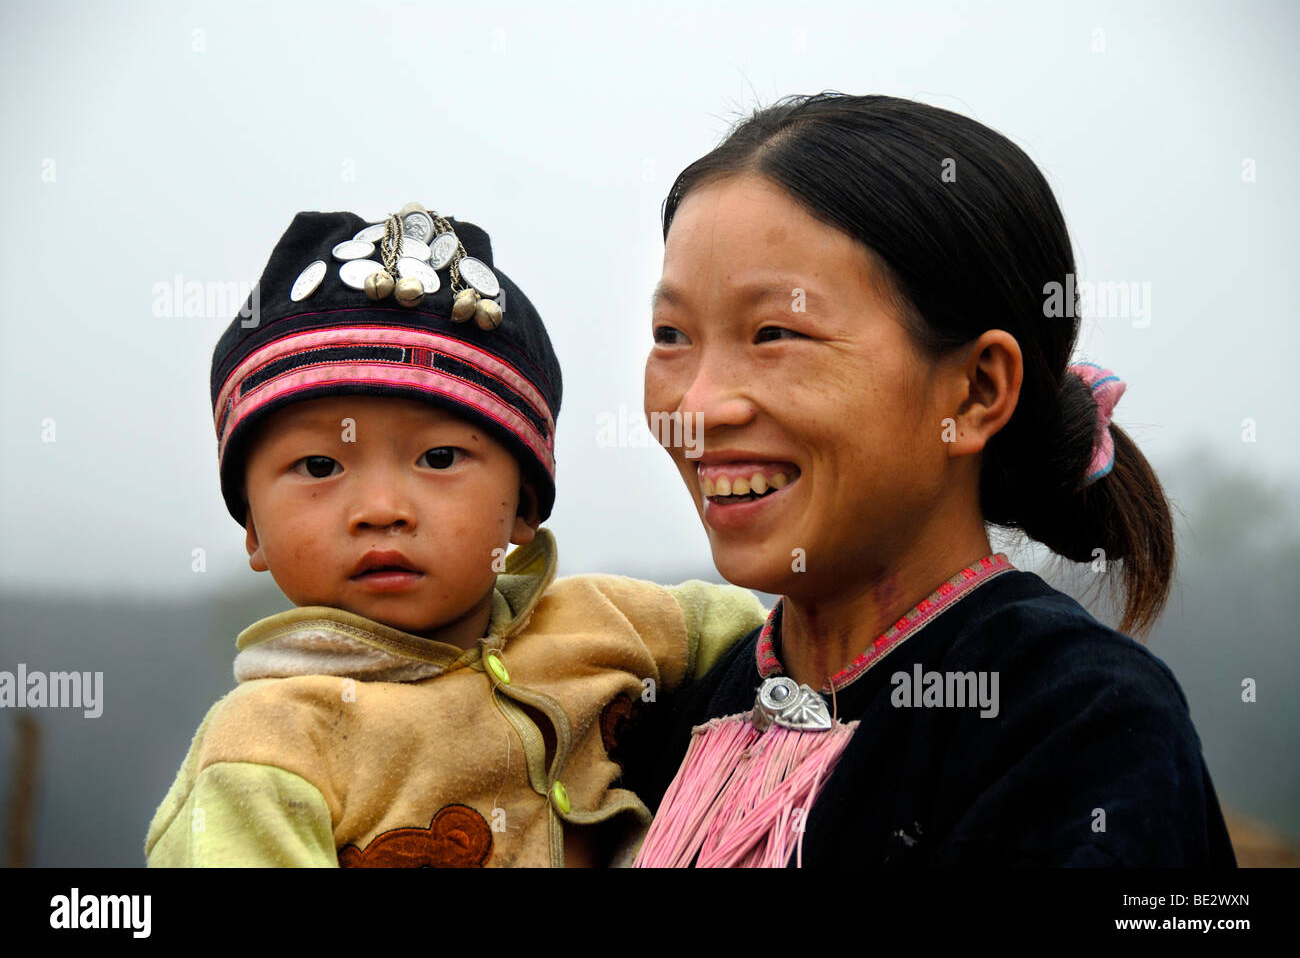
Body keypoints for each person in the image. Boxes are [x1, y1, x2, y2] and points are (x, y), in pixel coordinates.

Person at [627, 94, 1237, 867]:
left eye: (774, 333)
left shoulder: (1081, 725)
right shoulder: (672, 713)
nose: (698, 406)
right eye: (671, 335)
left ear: (978, 390)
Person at [144, 202, 766, 868]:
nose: (381, 509)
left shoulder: (622, 627)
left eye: (438, 458)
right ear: (254, 531)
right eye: (319, 466)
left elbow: (793, 646)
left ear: (525, 507)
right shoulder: (267, 748)